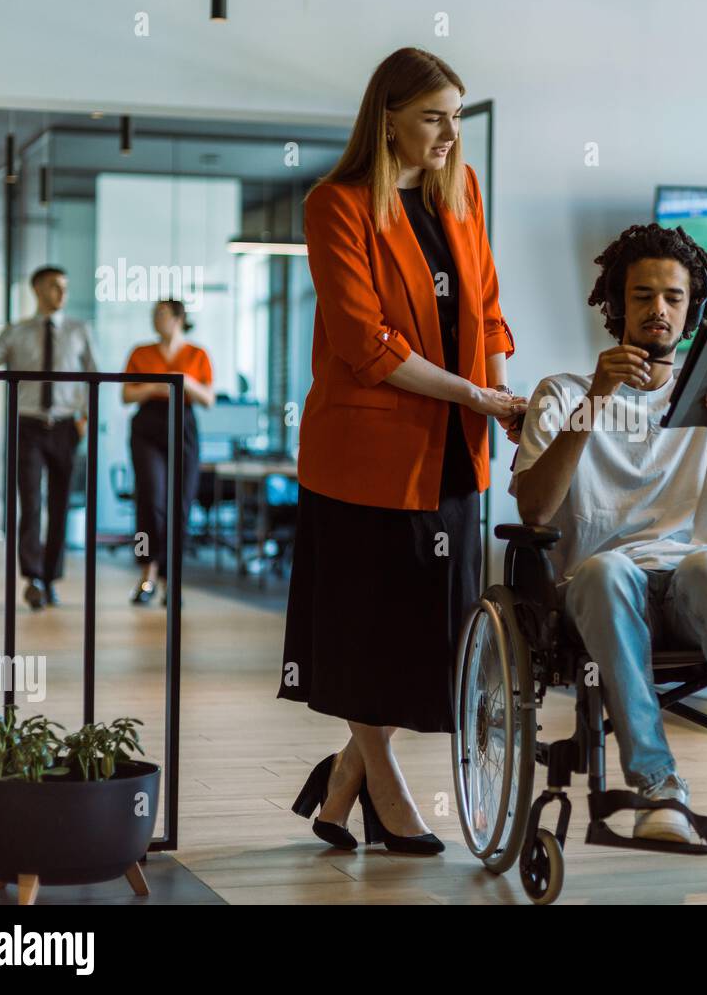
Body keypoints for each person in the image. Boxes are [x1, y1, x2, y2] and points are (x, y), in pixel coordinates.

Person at [509, 223, 707, 844]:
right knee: (608, 569)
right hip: (599, 588)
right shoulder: (565, 393)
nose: (657, 309)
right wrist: (597, 399)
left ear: (693, 311)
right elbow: (536, 512)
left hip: (689, 587)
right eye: (641, 296)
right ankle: (658, 786)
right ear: (616, 305)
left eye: (673, 298)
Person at [278, 47, 526, 854]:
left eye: (457, 115)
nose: (452, 133)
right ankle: (387, 791)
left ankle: (340, 782)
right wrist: (474, 395)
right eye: (433, 117)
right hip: (363, 461)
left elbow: (485, 311)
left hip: (457, 451)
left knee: (429, 640)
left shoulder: (462, 192)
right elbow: (366, 344)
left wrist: (503, 398)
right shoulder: (336, 204)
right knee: (366, 636)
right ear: (387, 118)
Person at [0, 266, 97, 610]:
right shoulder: (16, 333)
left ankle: (49, 577)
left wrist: (85, 418)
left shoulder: (79, 331)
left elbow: (96, 375)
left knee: (60, 505)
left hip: (65, 426)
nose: (62, 294)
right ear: (37, 290)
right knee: (30, 502)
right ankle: (32, 577)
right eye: (55, 287)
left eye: (65, 287)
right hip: (28, 426)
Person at [121, 300, 214, 606]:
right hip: (148, 426)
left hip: (183, 425)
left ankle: (170, 581)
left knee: (180, 506)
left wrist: (184, 381)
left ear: (178, 319)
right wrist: (154, 387)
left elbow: (208, 399)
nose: (155, 319)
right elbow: (126, 394)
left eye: (161, 314)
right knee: (150, 500)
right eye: (153, 314)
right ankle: (147, 573)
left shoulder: (196, 354)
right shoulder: (140, 352)